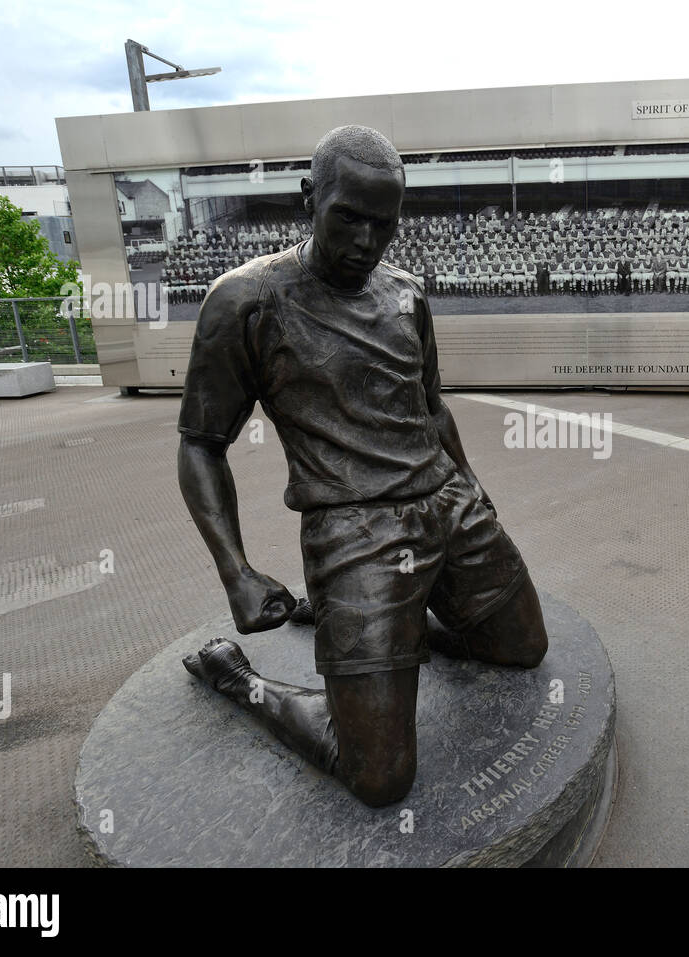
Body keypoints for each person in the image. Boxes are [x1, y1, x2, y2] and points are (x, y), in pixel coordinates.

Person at [177, 126, 548, 808]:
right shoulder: (246, 301)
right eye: (349, 218)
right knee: (377, 775)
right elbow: (201, 443)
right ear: (309, 197)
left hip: (448, 504)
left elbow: (432, 409)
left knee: (523, 646)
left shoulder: (406, 294)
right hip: (355, 533)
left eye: (385, 225)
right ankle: (245, 683)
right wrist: (236, 570)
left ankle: (381, 635)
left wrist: (476, 490)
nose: (366, 243)